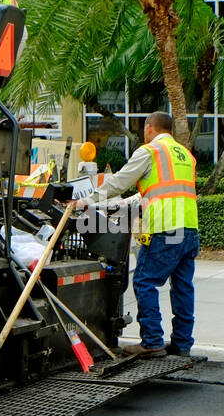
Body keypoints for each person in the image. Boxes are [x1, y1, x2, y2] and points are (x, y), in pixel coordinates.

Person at [79, 111, 198, 358]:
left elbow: (119, 182)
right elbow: (160, 191)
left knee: (144, 281)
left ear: (149, 128)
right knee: (183, 286)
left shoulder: (150, 151)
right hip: (188, 228)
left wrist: (88, 200)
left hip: (165, 227)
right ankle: (182, 344)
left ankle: (152, 341)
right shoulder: (185, 155)